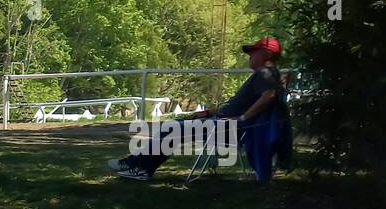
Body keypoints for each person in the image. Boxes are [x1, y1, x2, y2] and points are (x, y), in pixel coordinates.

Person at [110, 37, 289, 181]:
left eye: (253, 51)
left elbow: (269, 96)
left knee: (172, 128)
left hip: (229, 128)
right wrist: (210, 112)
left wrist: (241, 118)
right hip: (222, 123)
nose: (249, 55)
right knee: (174, 126)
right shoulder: (268, 75)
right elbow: (242, 103)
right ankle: (135, 164)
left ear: (266, 54)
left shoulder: (264, 73)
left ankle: (138, 167)